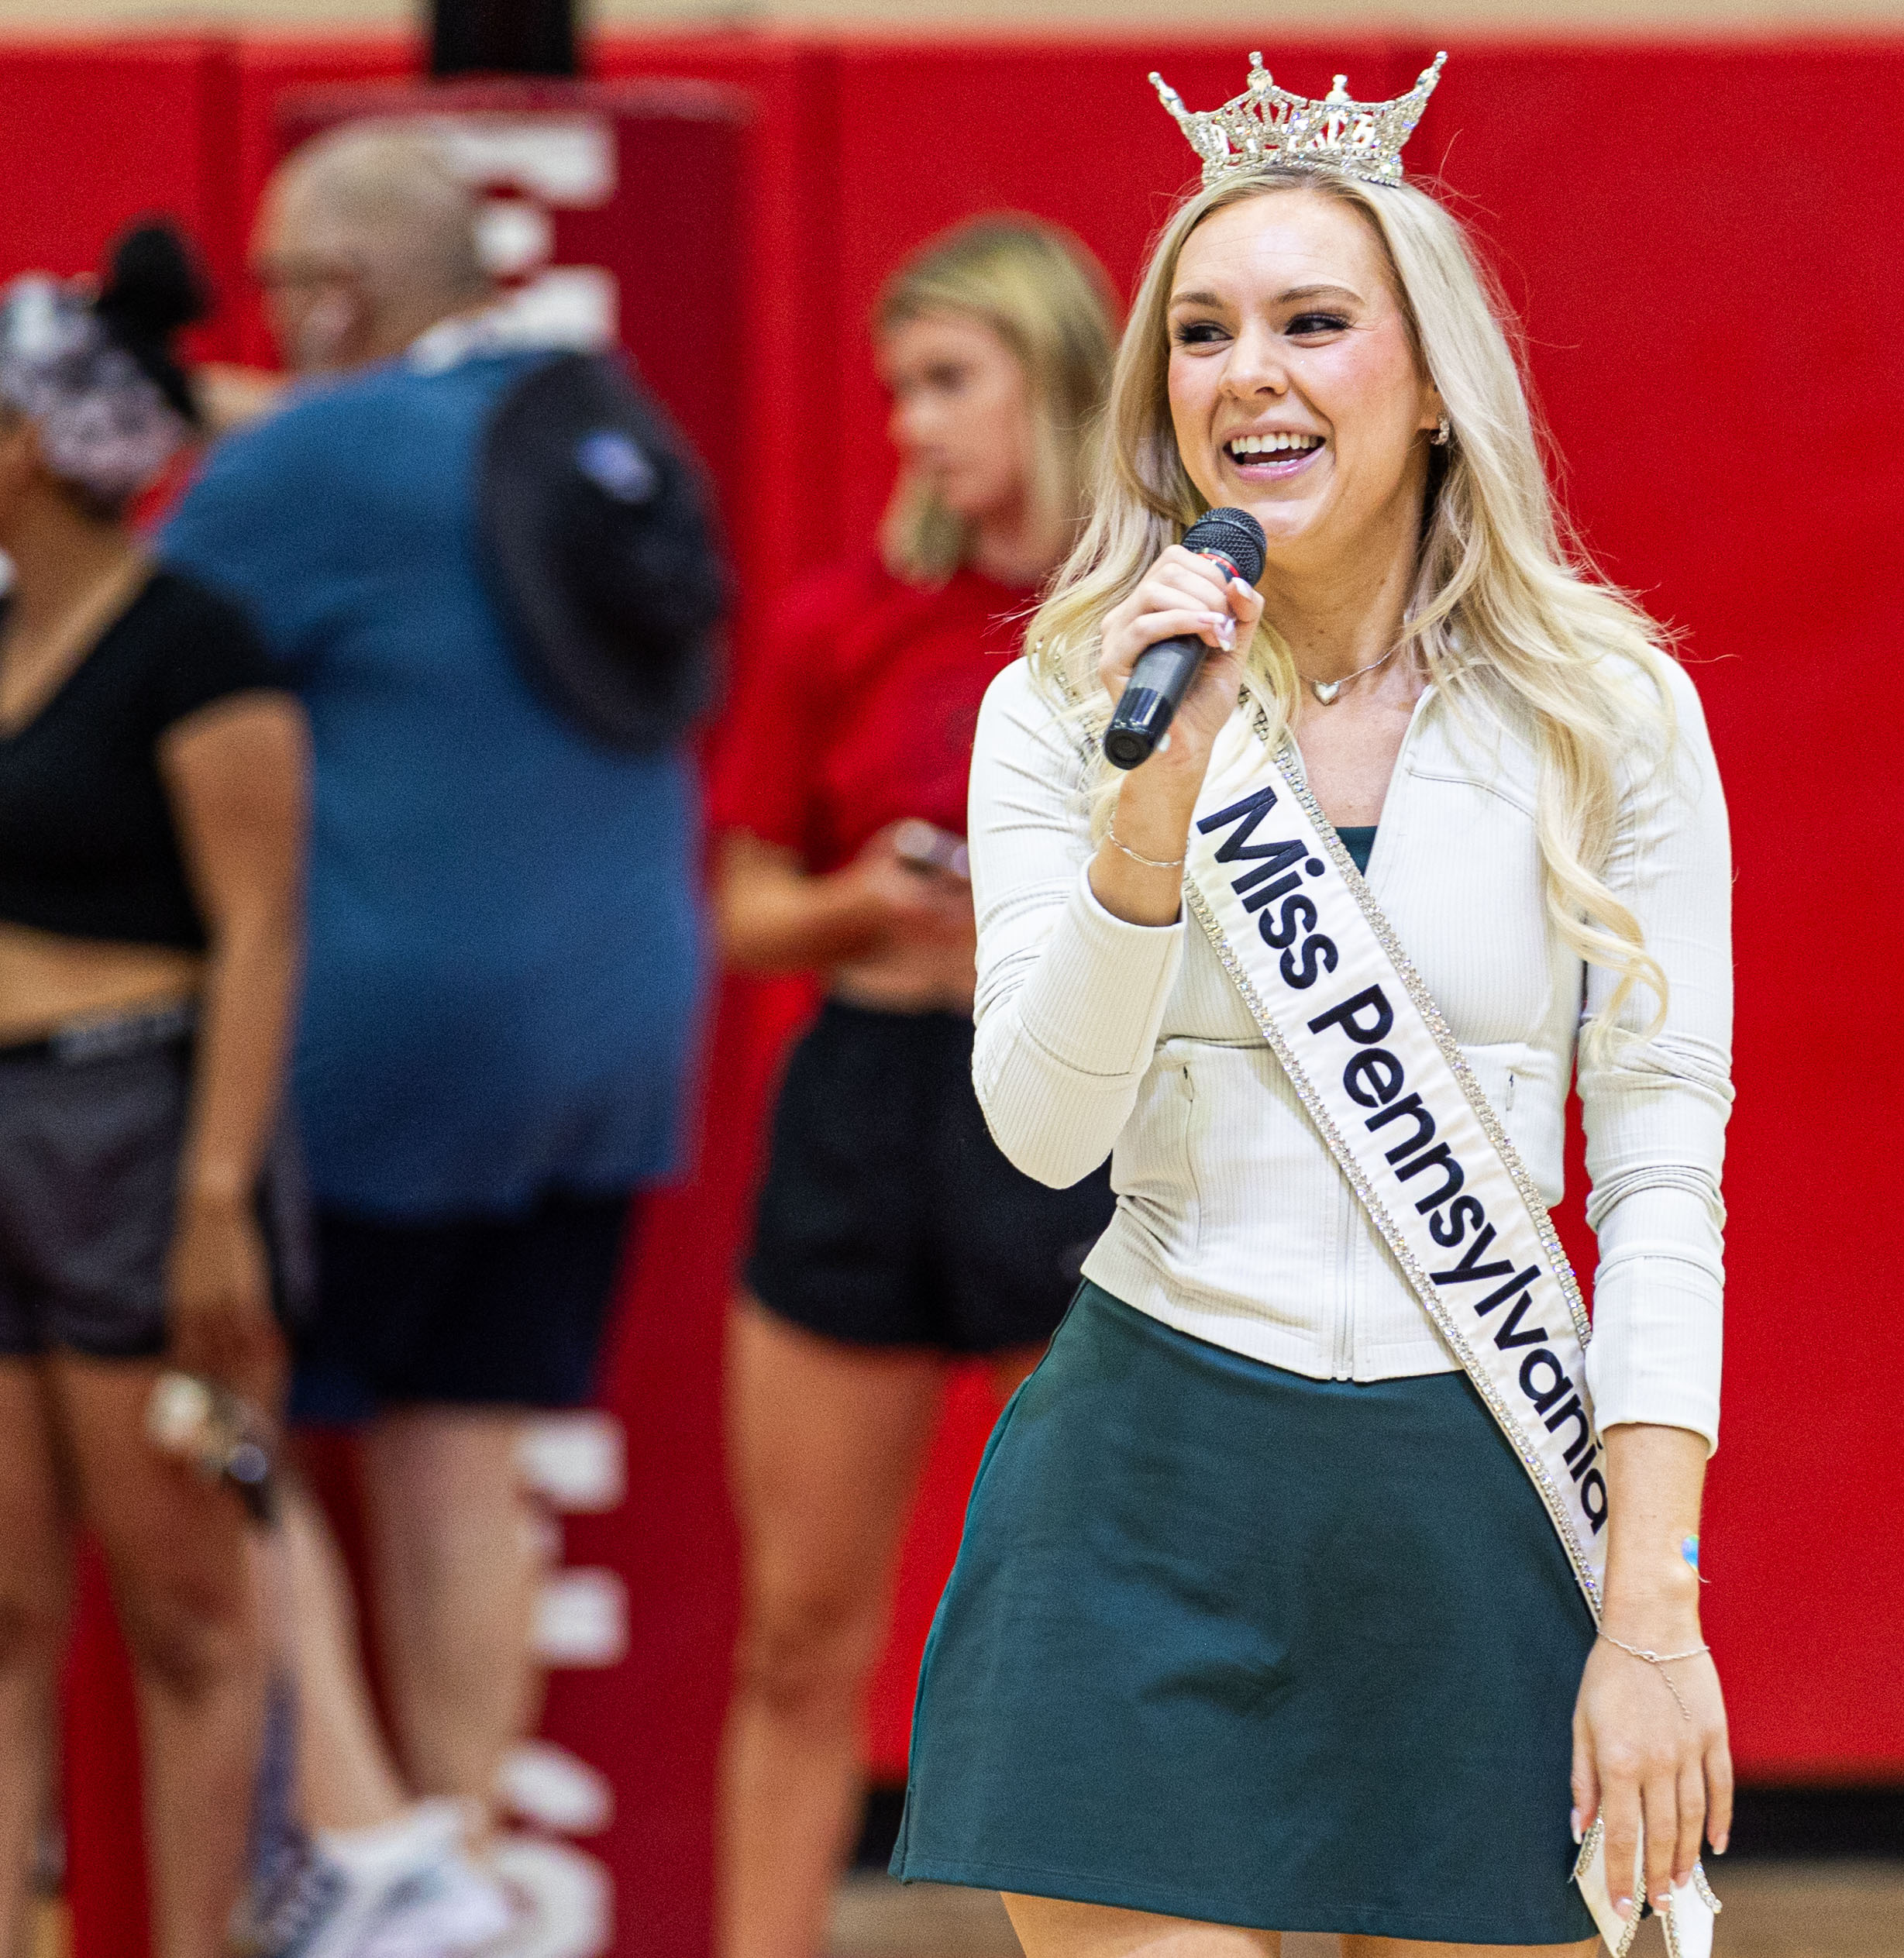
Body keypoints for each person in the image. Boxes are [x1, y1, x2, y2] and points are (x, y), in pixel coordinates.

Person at [891, 52, 1737, 1958]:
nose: (1244, 371)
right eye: (1199, 332)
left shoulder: (1610, 713)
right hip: (1143, 1490)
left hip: (1474, 1495)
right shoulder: (1063, 700)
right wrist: (1147, 821)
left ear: (1432, 384)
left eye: (1310, 322)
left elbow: (1663, 1180)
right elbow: (1040, 1131)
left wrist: (1651, 1617)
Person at [158, 122, 710, 1946]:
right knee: (460, 1436)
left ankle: (370, 1849)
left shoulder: (308, 459)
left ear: (330, 297)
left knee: (213, 1406)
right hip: (617, 1037)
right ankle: (459, 1863)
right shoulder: (602, 422)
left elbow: (114, 640)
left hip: (383, 1044)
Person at [712, 215, 1118, 1958]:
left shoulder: (1159, 619)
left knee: (1101, 1607)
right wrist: (865, 904)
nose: (913, 427)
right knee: (800, 1625)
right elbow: (736, 912)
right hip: (874, 1095)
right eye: (897, 390)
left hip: (1084, 1103)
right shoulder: (844, 624)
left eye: (949, 382)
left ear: (1057, 379)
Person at [0, 223, 310, 1958]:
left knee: (186, 1601)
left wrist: (216, 1203)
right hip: (6, 1129)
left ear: (32, 443)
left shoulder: (198, 645)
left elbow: (261, 932)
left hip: (133, 1127)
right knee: (3, 1602)